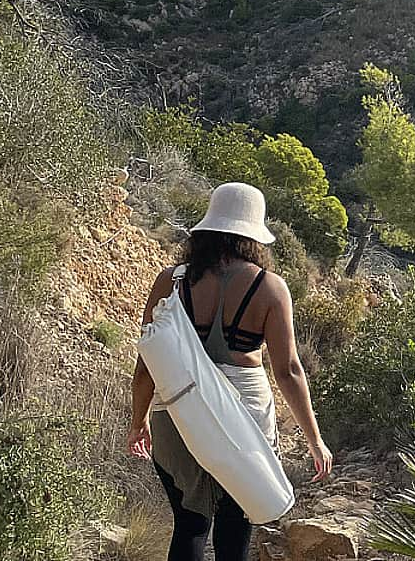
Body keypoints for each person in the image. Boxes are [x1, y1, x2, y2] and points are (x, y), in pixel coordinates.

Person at [127, 182, 333, 561]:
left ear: (207, 229)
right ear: (254, 236)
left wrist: (139, 420)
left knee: (189, 524)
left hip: (175, 409)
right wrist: (314, 440)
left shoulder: (171, 280)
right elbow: (287, 370)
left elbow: (146, 364)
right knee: (235, 526)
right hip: (245, 413)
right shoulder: (270, 288)